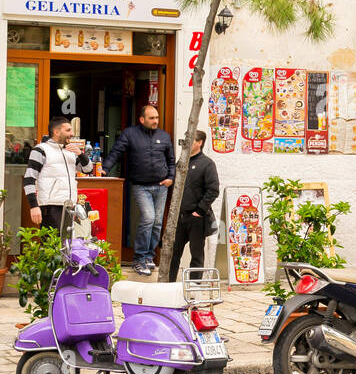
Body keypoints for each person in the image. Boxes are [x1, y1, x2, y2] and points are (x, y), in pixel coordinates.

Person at [104, 104, 176, 276]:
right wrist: (104, 168)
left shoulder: (164, 136)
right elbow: (116, 152)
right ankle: (139, 258)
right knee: (148, 219)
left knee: (157, 222)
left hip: (161, 186)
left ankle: (149, 256)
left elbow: (171, 160)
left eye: (157, 118)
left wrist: (171, 178)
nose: (155, 121)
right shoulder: (130, 134)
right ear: (142, 119)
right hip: (140, 186)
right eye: (151, 118)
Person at [23, 116, 94, 233]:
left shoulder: (70, 151)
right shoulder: (41, 150)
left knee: (66, 246)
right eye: (68, 130)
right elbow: (29, 179)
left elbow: (88, 170)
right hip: (50, 205)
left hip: (69, 205)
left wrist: (80, 154)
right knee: (51, 246)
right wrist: (33, 206)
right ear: (56, 132)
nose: (71, 134)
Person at [168, 130, 220, 283]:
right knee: (172, 253)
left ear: (199, 143)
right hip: (179, 216)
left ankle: (194, 287)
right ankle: (169, 285)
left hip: (196, 217)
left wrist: (199, 211)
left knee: (196, 254)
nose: (186, 143)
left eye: (190, 140)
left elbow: (213, 190)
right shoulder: (181, 163)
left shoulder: (207, 163)